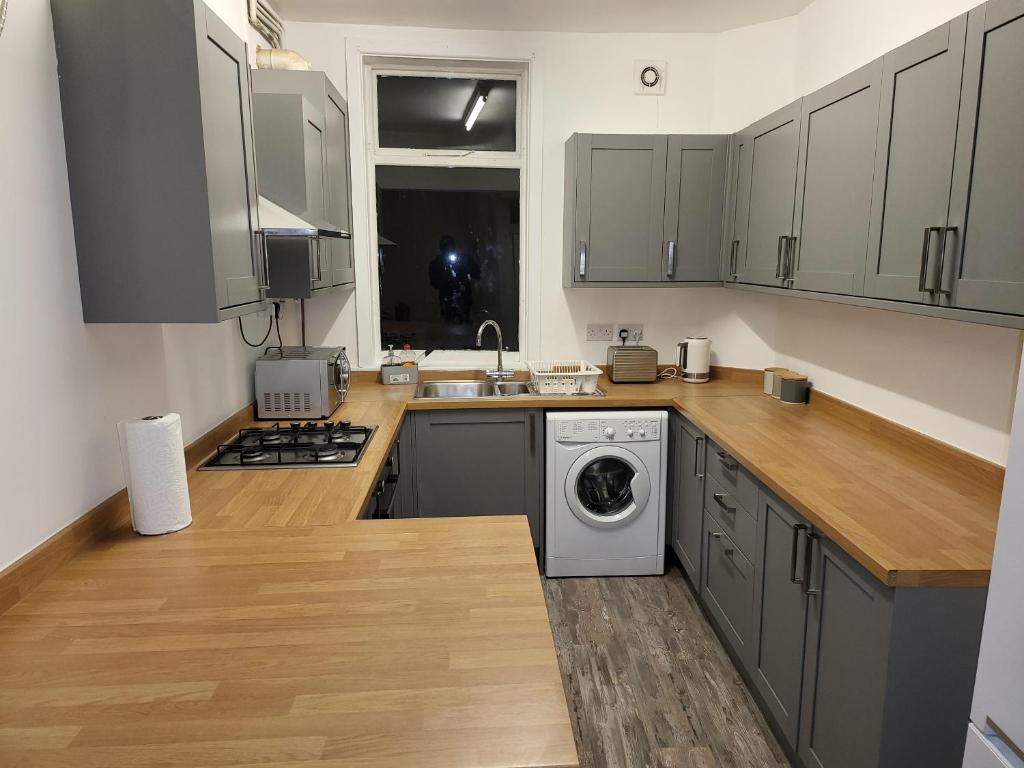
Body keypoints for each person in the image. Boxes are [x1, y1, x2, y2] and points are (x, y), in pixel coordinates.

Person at [428, 235, 480, 323]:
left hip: (463, 301)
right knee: (449, 327)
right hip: (447, 302)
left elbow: (476, 273)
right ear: (441, 248)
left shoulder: (463, 259)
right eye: (445, 246)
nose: (448, 249)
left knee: (464, 325)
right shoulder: (437, 263)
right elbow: (434, 282)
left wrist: (463, 268)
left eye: (449, 245)